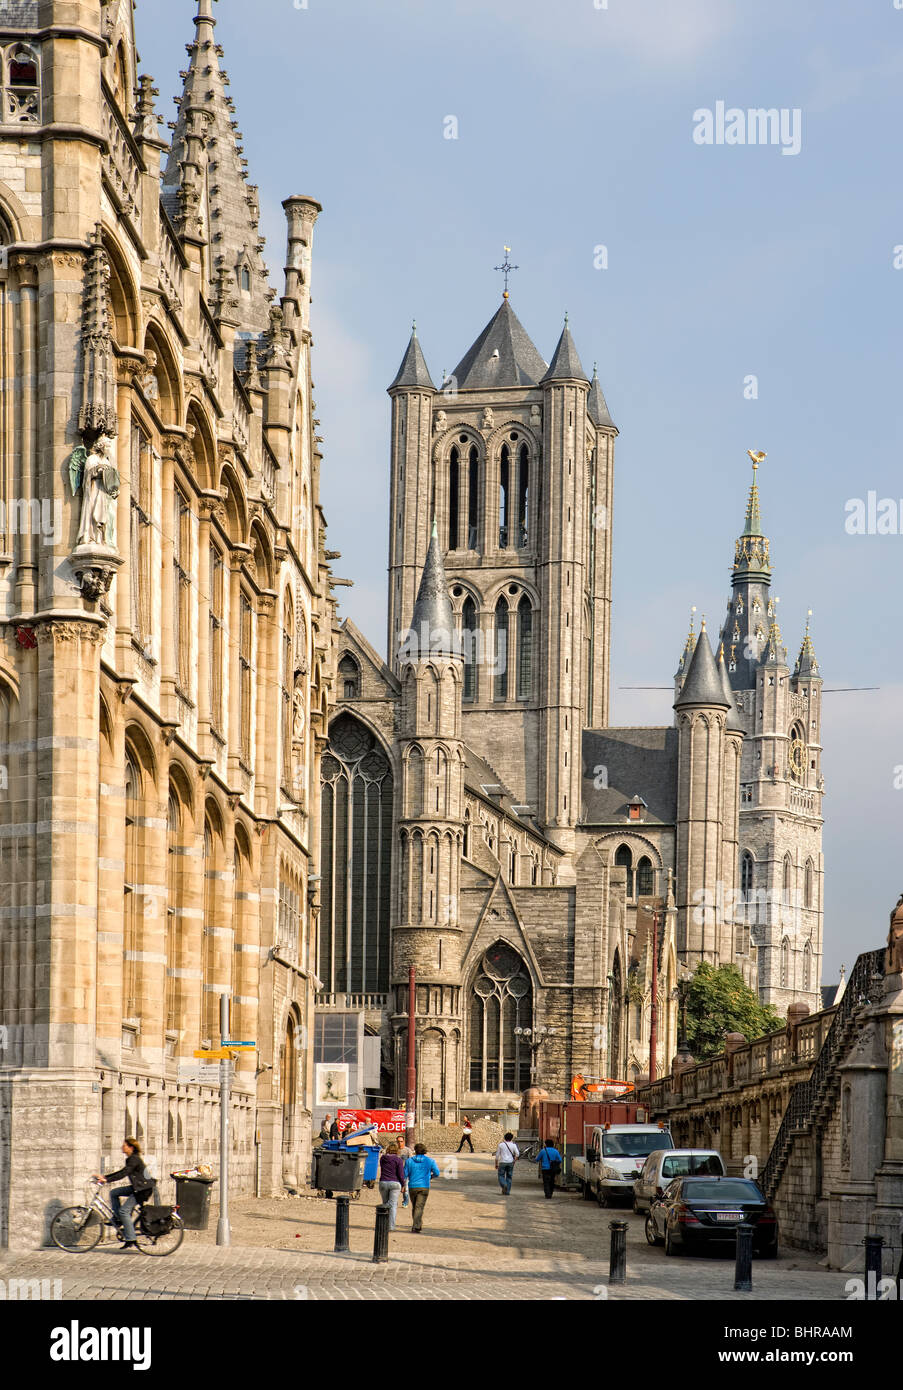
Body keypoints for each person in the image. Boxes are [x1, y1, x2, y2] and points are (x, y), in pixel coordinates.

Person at [93, 1138, 154, 1250]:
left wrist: (106, 1179)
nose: (122, 1147)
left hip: (142, 1189)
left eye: (124, 1145)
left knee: (124, 1211)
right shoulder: (131, 1158)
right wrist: (105, 1177)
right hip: (138, 1187)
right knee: (114, 1192)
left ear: (131, 1147)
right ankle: (118, 1219)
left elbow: (124, 1173)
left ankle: (131, 1238)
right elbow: (122, 1171)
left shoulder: (134, 1159)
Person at [403, 1143, 440, 1233]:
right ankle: (416, 1226)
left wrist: (403, 1185)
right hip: (424, 1186)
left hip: (412, 1186)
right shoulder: (430, 1161)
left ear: (415, 1150)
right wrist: (430, 1177)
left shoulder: (409, 1161)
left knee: (415, 1206)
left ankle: (417, 1224)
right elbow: (437, 1173)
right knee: (419, 1207)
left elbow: (404, 1174)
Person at [378, 1141, 407, 1230]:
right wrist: (403, 1185)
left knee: (385, 1204)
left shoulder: (383, 1158)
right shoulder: (398, 1160)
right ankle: (391, 1226)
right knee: (393, 1205)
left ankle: (384, 1224)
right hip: (395, 1183)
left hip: (383, 1182)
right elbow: (401, 1174)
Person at [397, 1135, 413, 1206]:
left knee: (405, 1189)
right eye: (398, 1141)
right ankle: (394, 1202)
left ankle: (405, 1202)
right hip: (396, 1172)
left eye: (401, 1141)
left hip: (405, 1172)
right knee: (396, 1188)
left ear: (404, 1141)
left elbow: (411, 1161)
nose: (400, 1143)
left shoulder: (408, 1150)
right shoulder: (395, 1150)